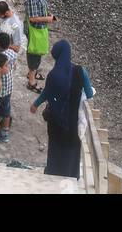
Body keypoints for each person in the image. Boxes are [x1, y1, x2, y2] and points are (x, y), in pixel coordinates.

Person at [29, 40, 94, 178]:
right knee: (71, 152)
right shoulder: (80, 71)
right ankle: (70, 176)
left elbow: (46, 92)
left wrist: (35, 104)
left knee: (55, 150)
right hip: (72, 123)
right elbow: (89, 94)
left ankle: (53, 174)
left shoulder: (53, 76)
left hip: (55, 123)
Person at [24, 0, 55, 89]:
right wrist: (48, 18)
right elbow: (32, 18)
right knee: (34, 52)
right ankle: (31, 81)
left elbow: (41, 7)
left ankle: (32, 72)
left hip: (39, 29)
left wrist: (48, 13)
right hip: (34, 30)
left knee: (36, 50)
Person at [0, 31, 16, 142]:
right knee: (6, 112)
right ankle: (5, 134)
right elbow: (13, 65)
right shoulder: (13, 54)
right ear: (9, 43)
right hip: (9, 88)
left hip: (0, 91)